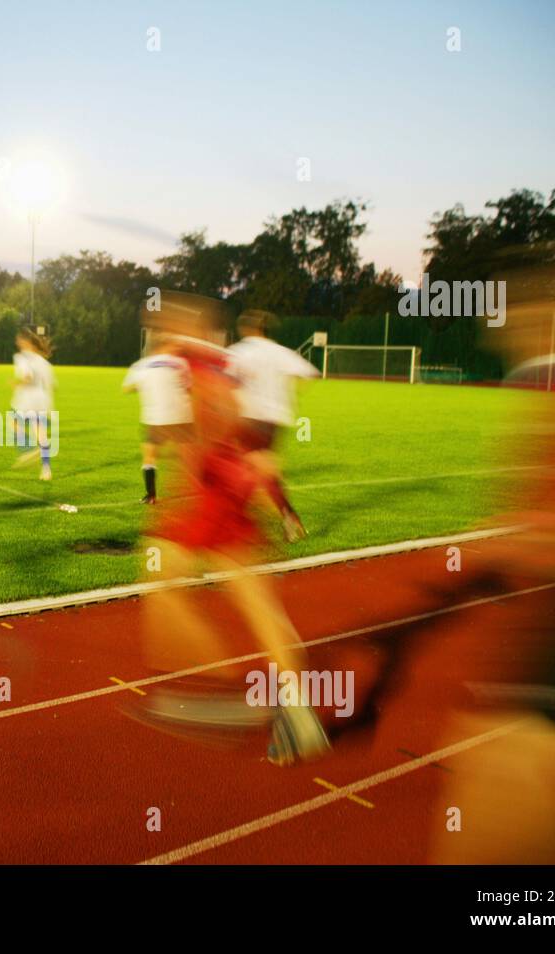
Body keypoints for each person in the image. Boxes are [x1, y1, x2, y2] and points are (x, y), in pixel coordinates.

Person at [131, 292, 329, 767]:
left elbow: (213, 415)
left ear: (189, 325)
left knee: (159, 582)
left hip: (212, 492)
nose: (160, 329)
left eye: (166, 322)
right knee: (256, 600)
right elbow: (233, 417)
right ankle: (296, 711)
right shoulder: (215, 362)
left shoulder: (197, 364)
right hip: (227, 488)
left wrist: (202, 451)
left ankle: (231, 687)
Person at [224, 310, 319, 541]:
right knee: (259, 467)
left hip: (247, 417)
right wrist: (291, 393)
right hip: (274, 419)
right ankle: (285, 517)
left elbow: (224, 380)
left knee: (244, 467)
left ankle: (244, 520)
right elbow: (310, 374)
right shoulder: (281, 352)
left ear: (246, 330)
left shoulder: (238, 352)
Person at [122, 331, 193, 503]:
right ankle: (201, 492)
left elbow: (126, 388)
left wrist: (141, 386)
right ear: (165, 346)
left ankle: (151, 496)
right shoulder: (180, 363)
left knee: (150, 456)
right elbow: (190, 388)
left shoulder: (142, 365)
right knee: (188, 457)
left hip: (155, 417)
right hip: (181, 416)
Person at [11, 328, 56, 480]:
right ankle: (46, 469)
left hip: (27, 398)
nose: (17, 343)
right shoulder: (44, 362)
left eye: (19, 340)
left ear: (26, 342)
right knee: (41, 434)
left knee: (15, 423)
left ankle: (28, 450)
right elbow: (51, 385)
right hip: (42, 399)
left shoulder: (22, 358)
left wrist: (16, 383)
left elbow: (27, 377)